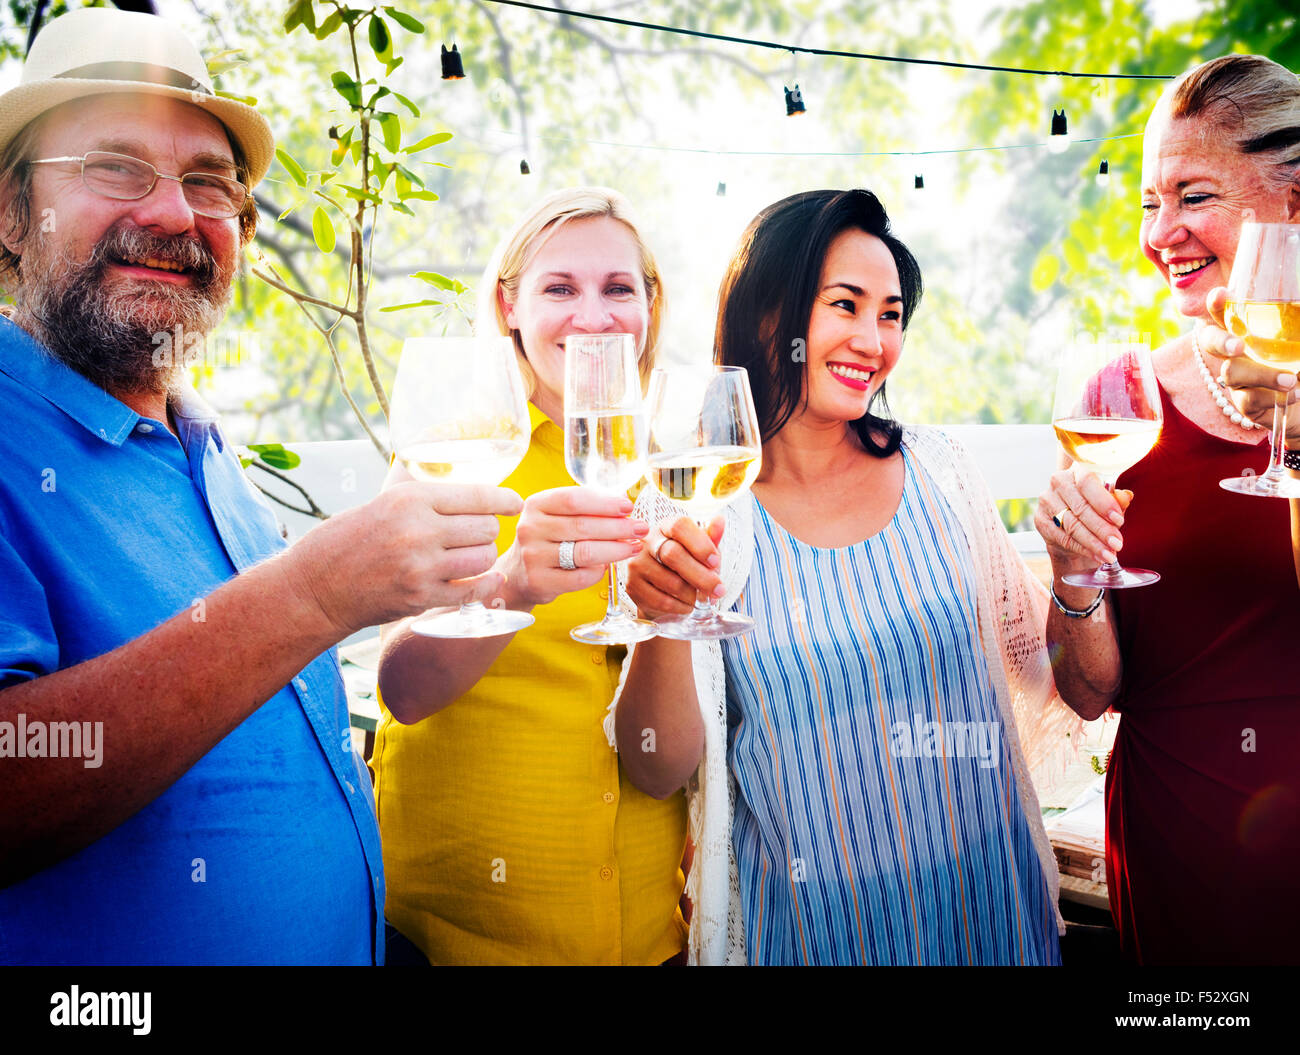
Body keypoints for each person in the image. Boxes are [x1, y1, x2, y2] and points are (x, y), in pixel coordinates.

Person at [0, 8, 518, 965]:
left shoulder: (204, 451)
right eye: (115, 165)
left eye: (209, 182)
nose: (171, 214)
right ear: (9, 212)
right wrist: (318, 588)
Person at [614, 188, 1077, 966]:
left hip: (992, 919)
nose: (873, 338)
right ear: (768, 313)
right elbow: (655, 765)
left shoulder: (942, 471)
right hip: (809, 938)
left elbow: (1047, 670)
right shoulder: (690, 506)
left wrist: (1079, 566)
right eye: (846, 305)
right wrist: (666, 619)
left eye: (891, 314)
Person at [371, 187, 689, 965]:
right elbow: (402, 688)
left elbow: (669, 757)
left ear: (649, 305)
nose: (594, 316)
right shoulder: (453, 459)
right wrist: (509, 582)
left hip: (647, 934)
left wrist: (672, 617)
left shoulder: (683, 470)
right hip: (464, 936)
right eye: (560, 289)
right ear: (509, 304)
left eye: (619, 288)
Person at [1037, 53, 1300, 965]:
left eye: (1193, 196)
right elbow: (1088, 689)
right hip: (1177, 836)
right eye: (1150, 202)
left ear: (1291, 206)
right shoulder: (1124, 400)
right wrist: (1074, 576)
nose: (1161, 233)